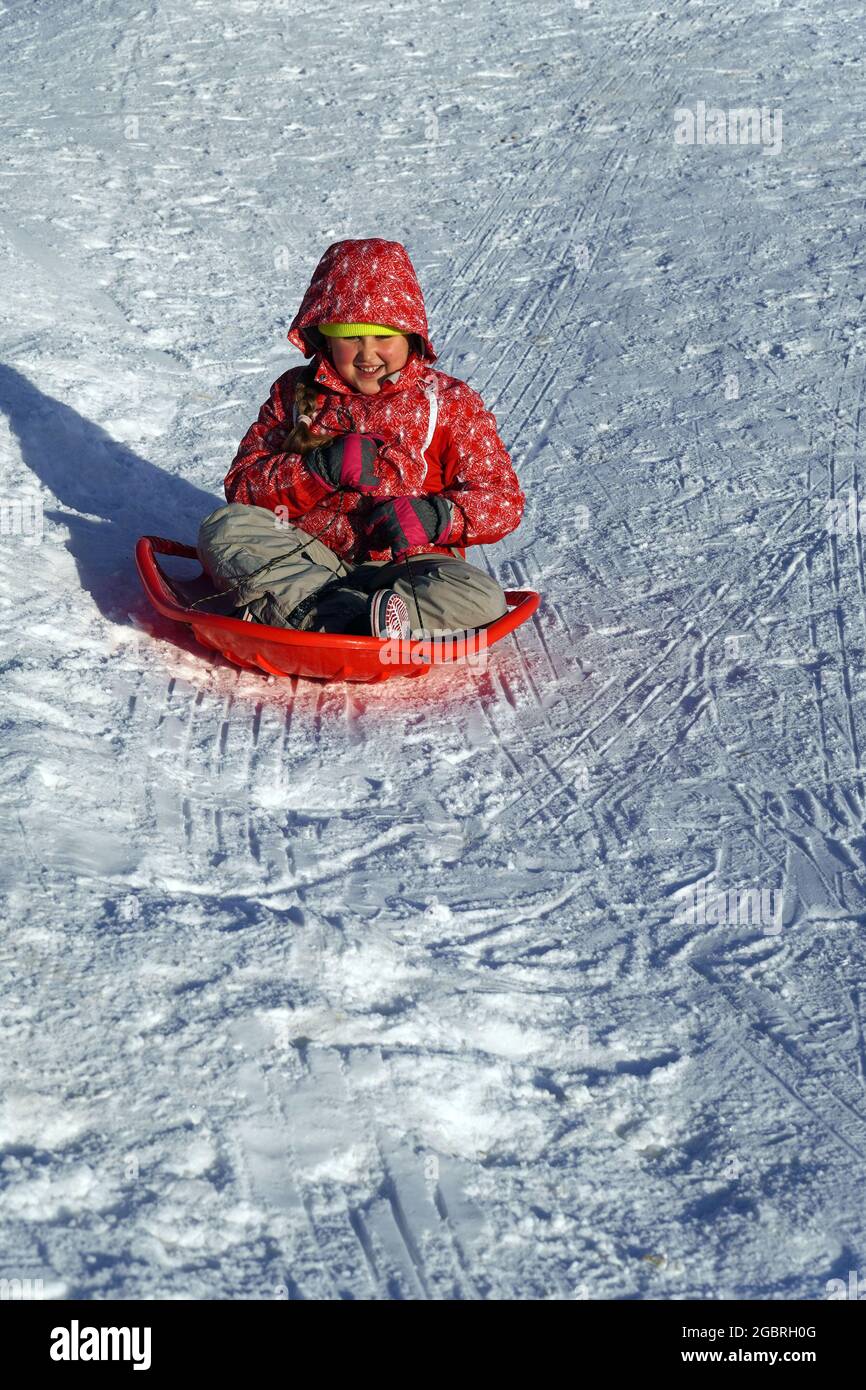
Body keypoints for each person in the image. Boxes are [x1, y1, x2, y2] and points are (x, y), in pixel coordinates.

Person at [197, 237, 525, 639]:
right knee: (226, 527)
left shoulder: (450, 403)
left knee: (482, 597)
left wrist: (437, 517)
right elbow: (243, 488)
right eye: (351, 337)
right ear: (325, 338)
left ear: (411, 336)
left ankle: (316, 615)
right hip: (307, 556)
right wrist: (316, 469)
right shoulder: (294, 393)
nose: (367, 355)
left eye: (383, 337)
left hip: (408, 569)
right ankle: (345, 616)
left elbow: (502, 500)